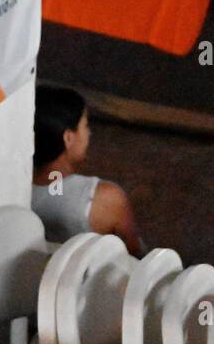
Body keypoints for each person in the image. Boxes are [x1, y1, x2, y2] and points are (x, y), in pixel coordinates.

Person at [31, 86, 144, 255]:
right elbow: (135, 256)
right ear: (68, 138)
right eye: (85, 126)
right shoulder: (104, 197)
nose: (89, 133)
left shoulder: (9, 188)